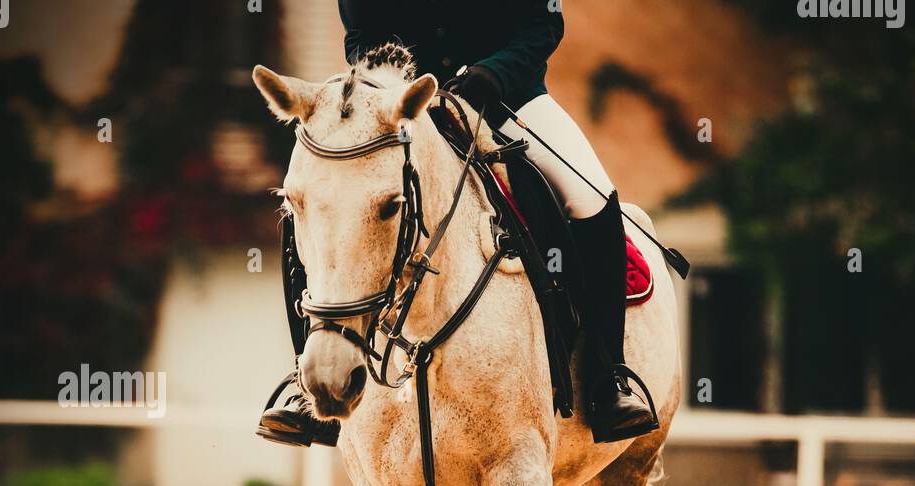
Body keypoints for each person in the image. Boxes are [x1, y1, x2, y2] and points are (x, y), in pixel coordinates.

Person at [258, 0, 659, 448]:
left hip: (509, 97)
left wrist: (493, 74)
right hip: (403, 105)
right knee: (311, 198)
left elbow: (544, 24)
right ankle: (304, 381)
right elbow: (361, 34)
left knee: (593, 198)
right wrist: (396, 85)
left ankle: (608, 380)